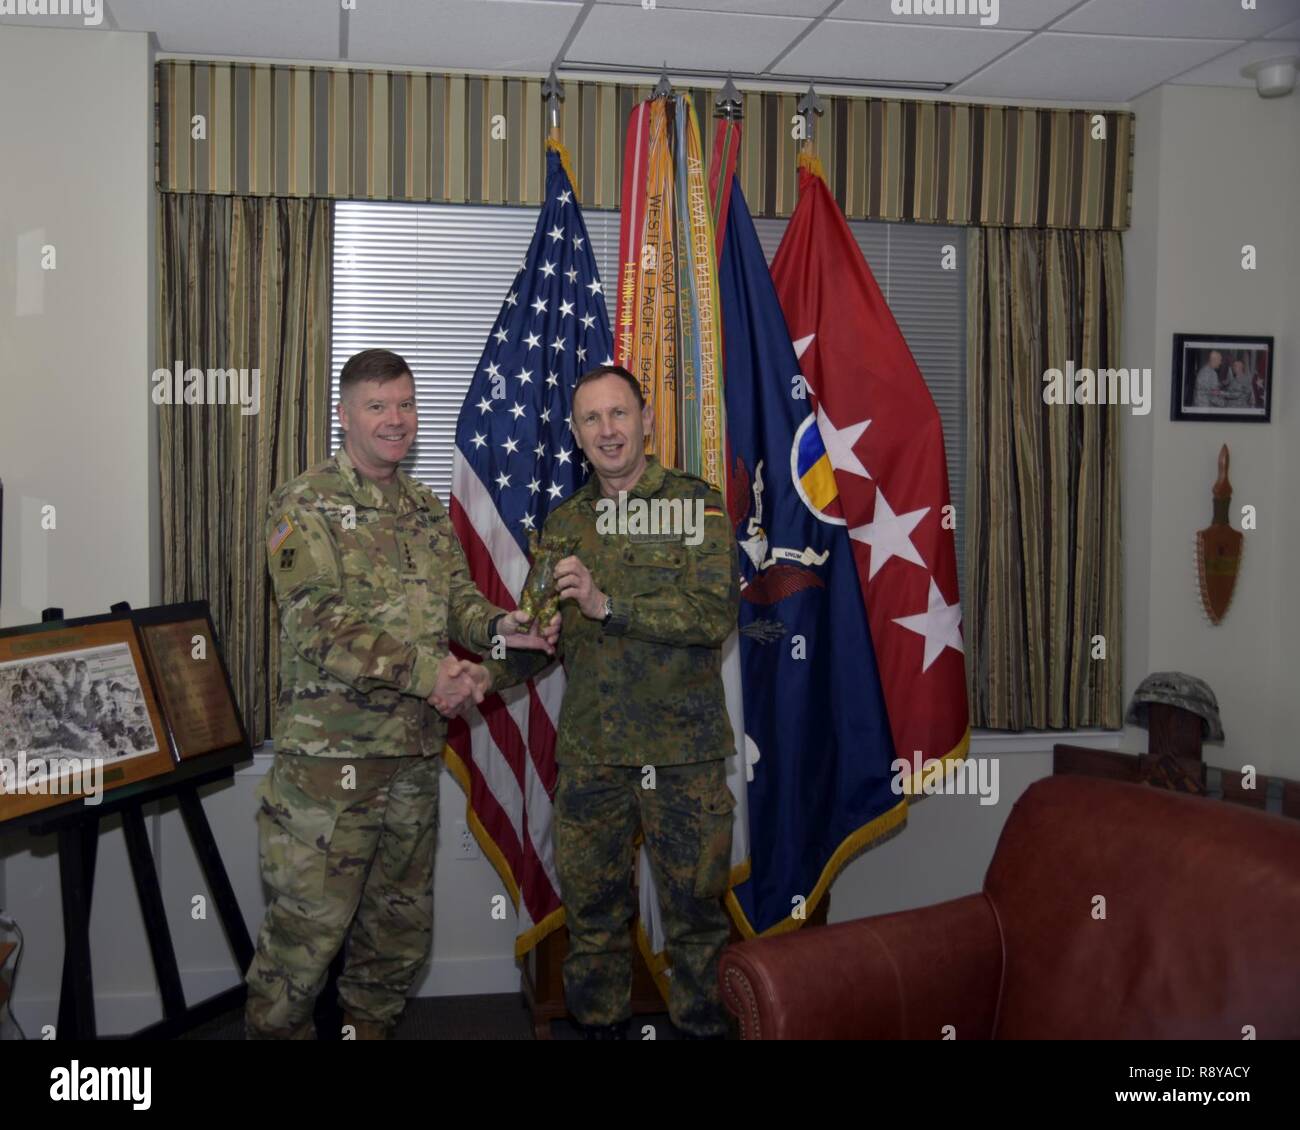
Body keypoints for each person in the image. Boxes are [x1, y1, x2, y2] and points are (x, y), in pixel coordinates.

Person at [245, 348, 557, 1040]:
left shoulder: (422, 507)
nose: (396, 420)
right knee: (302, 950)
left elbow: (458, 605)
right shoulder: (301, 503)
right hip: (329, 774)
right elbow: (315, 620)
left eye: (406, 404)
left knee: (395, 945)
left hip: (413, 763)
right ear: (345, 415)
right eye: (378, 406)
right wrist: (429, 676)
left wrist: (505, 625)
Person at [485, 364, 740, 1039]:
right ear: (575, 433)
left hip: (682, 758)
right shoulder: (565, 523)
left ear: (646, 420)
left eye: (619, 414)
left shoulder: (697, 507)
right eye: (592, 419)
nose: (608, 430)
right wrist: (487, 671)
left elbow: (713, 613)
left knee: (696, 927)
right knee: (594, 927)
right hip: (594, 759)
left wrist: (607, 604)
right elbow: (543, 634)